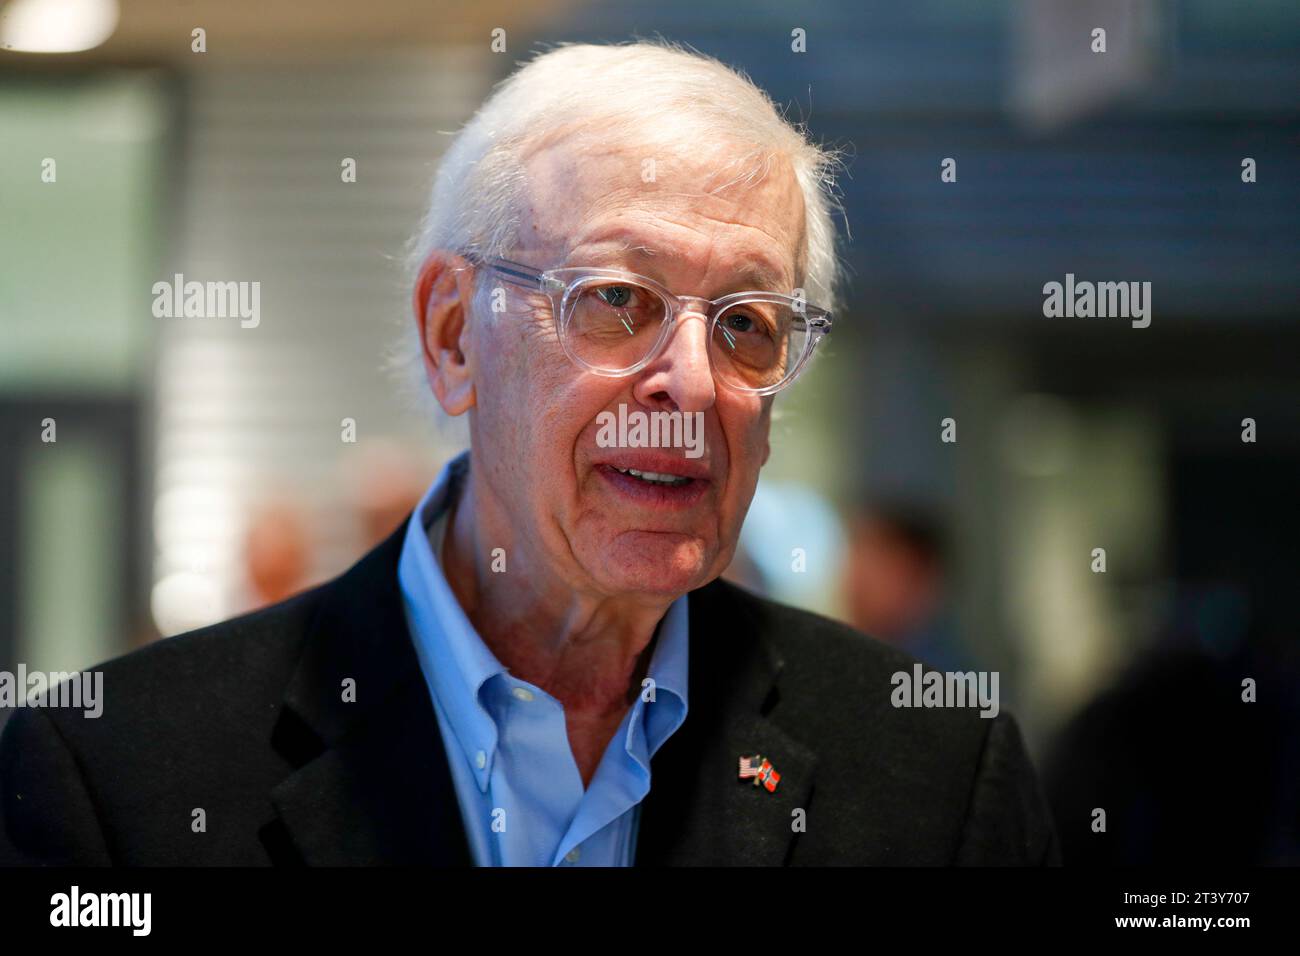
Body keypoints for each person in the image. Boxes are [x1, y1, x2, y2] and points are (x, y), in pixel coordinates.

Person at [0, 40, 1058, 866]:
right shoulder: (121, 777)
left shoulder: (934, 776)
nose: (689, 382)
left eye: (745, 321)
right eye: (614, 300)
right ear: (453, 334)